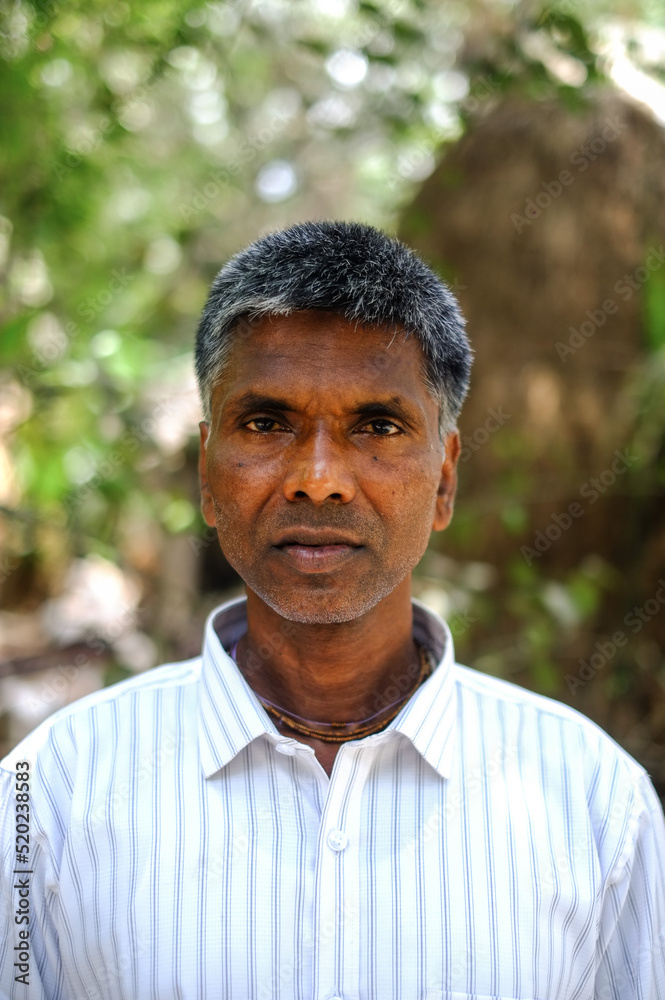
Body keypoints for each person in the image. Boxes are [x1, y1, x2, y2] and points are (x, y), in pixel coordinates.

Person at [1, 220, 663, 1000]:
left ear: (444, 480)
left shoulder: (592, 801)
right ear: (208, 475)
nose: (320, 479)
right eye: (266, 423)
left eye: (377, 426)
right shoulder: (48, 795)